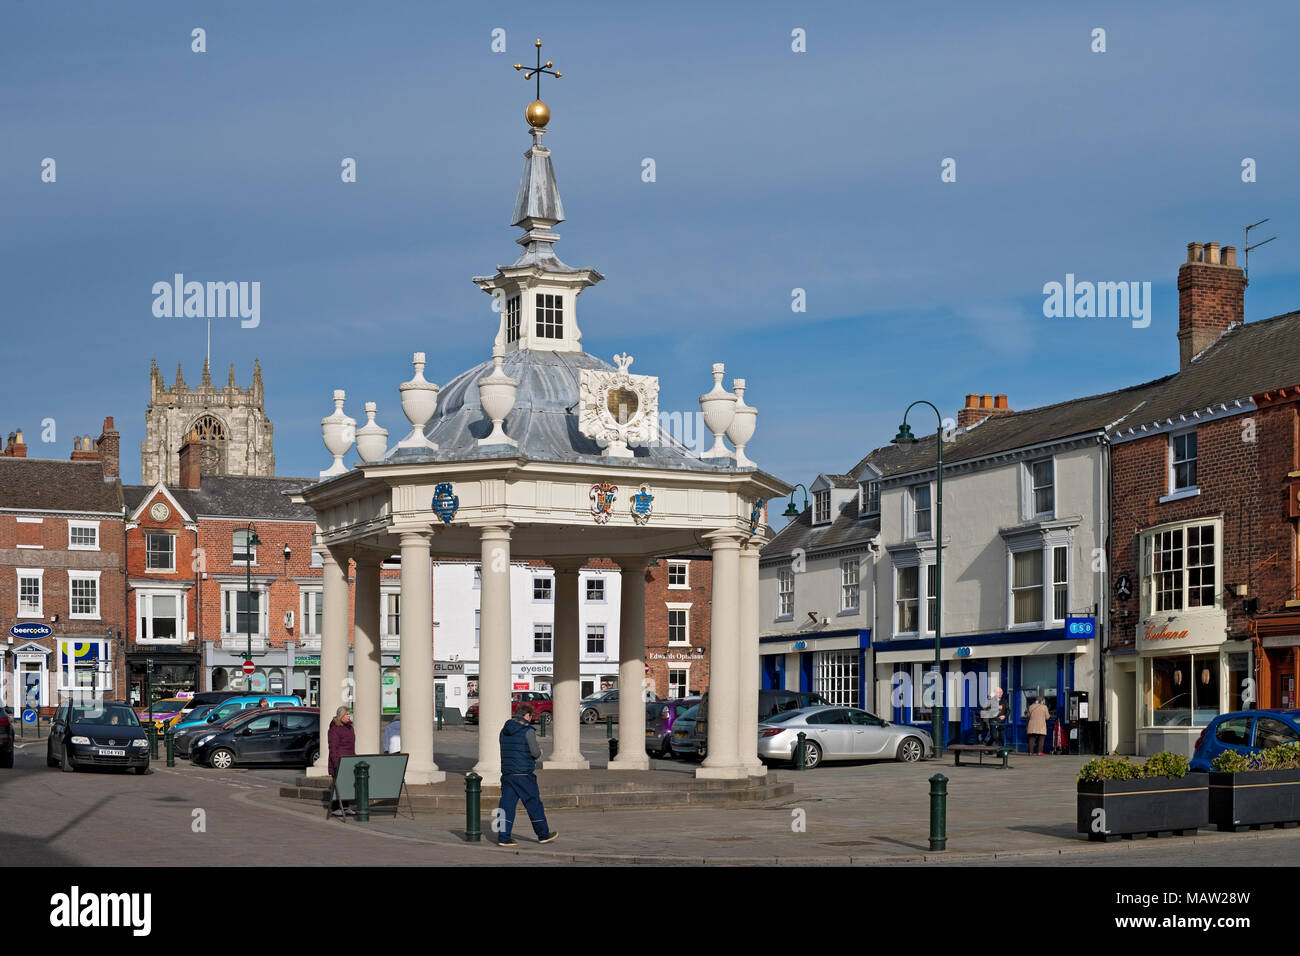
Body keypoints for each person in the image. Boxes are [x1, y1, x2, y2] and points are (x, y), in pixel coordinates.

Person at [497, 704, 556, 847]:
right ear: (527, 715)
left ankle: (503, 838)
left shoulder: (503, 731)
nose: (531, 719)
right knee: (533, 804)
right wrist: (540, 752)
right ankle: (543, 835)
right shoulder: (528, 731)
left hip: (508, 774)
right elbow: (535, 753)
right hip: (524, 775)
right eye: (531, 716)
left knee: (506, 805)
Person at [327, 706, 357, 817]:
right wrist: (335, 763)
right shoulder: (335, 729)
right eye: (347, 714)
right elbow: (333, 748)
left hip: (349, 759)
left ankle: (345, 806)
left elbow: (351, 746)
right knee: (339, 784)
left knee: (348, 784)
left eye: (349, 714)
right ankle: (336, 807)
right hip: (339, 760)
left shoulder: (350, 727)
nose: (349, 716)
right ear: (341, 716)